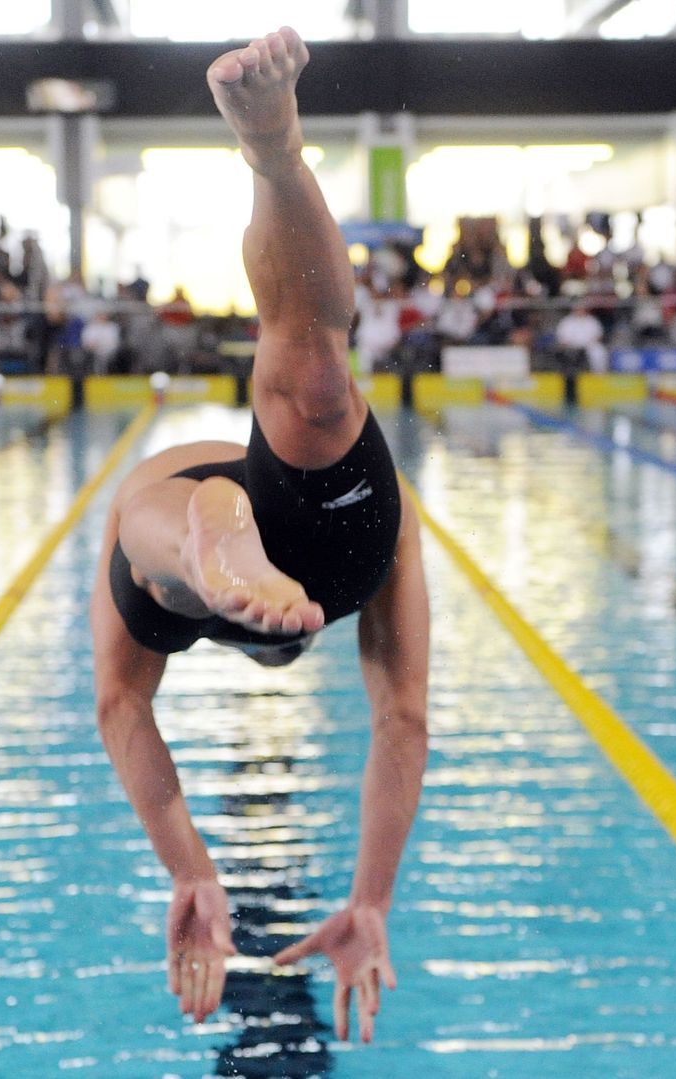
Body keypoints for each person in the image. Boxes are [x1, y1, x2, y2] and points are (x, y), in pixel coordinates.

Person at [91, 28, 428, 1046]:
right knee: (307, 386)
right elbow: (397, 716)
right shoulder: (365, 565)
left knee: (317, 377)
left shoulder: (364, 560)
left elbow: (406, 718)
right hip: (269, 543)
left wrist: (196, 866)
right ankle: (271, 148)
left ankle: (206, 539)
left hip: (238, 531)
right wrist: (363, 898)